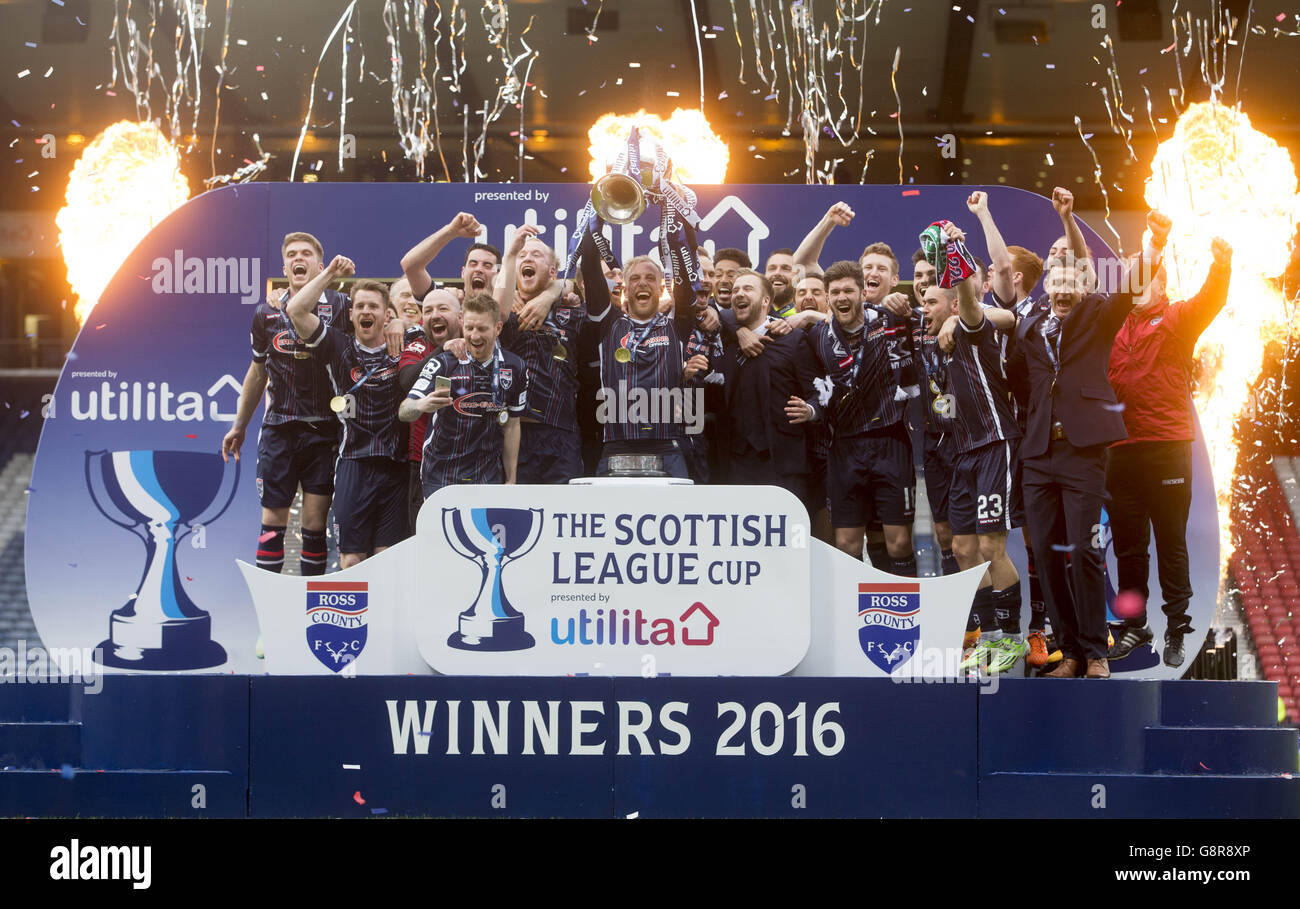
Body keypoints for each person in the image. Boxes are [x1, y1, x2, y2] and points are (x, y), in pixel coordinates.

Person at [1007, 192, 1171, 680]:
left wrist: (1154, 243)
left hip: (1082, 452)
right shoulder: (1030, 327)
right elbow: (1007, 350)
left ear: (1082, 284)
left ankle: (1097, 653)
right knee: (1046, 557)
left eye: (1069, 281)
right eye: (1054, 282)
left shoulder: (1098, 317)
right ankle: (1072, 652)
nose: (1060, 289)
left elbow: (1129, 281)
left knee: (1082, 550)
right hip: (1037, 453)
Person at [1106, 235, 1233, 667]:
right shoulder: (1112, 326)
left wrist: (1222, 262)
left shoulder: (1177, 318)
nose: (1139, 285)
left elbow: (1211, 300)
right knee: (1127, 547)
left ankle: (1177, 628)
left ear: (1162, 286)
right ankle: (1134, 625)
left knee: (1171, 542)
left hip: (1166, 449)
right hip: (1120, 451)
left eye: (1148, 278)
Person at [922, 225, 1025, 673]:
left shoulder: (972, 327)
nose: (924, 306)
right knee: (963, 550)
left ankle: (1013, 639)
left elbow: (968, 296)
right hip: (960, 453)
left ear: (951, 305)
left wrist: (953, 250)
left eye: (931, 301)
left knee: (990, 545)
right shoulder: (934, 346)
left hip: (993, 443)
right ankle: (990, 638)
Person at [222, 231, 353, 577]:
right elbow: (256, 371)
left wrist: (398, 321)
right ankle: (272, 609)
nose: (299, 258)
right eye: (292, 254)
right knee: (271, 526)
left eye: (306, 253)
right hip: (279, 429)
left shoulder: (342, 307)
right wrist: (240, 424)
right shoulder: (265, 312)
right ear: (284, 266)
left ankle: (307, 609)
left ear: (319, 264)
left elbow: (378, 324)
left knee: (314, 527)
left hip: (324, 431)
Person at [968, 190, 1052, 666]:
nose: (988, 277)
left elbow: (998, 269)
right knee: (984, 541)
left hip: (1023, 440)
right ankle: (995, 633)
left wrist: (983, 214)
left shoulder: (1026, 313)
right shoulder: (988, 314)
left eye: (998, 273)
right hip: (996, 441)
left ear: (1013, 279)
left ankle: (1035, 631)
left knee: (1035, 539)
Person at [285, 262, 405, 568]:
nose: (366, 311)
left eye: (374, 307)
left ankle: (385, 618)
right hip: (353, 462)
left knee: (387, 561)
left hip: (396, 467)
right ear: (350, 314)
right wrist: (329, 275)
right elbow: (296, 310)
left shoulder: (404, 346)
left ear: (385, 314)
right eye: (360, 306)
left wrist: (403, 323)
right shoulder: (337, 345)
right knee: (352, 559)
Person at [802, 260, 917, 572]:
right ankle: (851, 618)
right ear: (827, 297)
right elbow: (814, 386)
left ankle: (906, 615)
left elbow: (929, 317)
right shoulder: (818, 337)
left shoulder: (889, 319)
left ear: (862, 293)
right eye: (835, 292)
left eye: (848, 290)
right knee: (846, 544)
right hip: (845, 447)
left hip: (890, 440)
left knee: (899, 542)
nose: (842, 297)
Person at [589, 228, 711, 478]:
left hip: (667, 443)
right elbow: (591, 271)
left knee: (676, 515)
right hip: (617, 443)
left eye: (650, 278)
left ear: (660, 288)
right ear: (625, 288)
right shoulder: (608, 324)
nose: (642, 283)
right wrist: (597, 219)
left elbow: (685, 280)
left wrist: (675, 226)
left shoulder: (677, 325)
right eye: (634, 278)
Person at [400, 294, 527, 496]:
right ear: (462, 323)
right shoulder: (443, 363)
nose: (475, 336)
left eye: (482, 329)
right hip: (440, 476)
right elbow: (404, 410)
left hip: (487, 477)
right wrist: (420, 405)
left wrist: (511, 479)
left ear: (498, 328)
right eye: (469, 328)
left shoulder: (515, 366)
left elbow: (512, 424)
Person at [717, 270, 820, 506]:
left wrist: (810, 410)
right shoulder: (724, 341)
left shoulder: (794, 341)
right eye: (735, 291)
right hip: (735, 465)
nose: (739, 294)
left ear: (766, 301)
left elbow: (817, 392)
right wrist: (738, 331)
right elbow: (713, 311)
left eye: (747, 289)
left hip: (783, 465)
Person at [397, 288, 463, 529]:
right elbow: (406, 381)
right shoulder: (417, 346)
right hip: (424, 463)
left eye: (443, 309)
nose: (435, 314)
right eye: (427, 311)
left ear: (461, 316)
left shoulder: (477, 341)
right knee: (424, 543)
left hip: (470, 464)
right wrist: (442, 350)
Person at [400, 212, 501, 301]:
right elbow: (410, 266)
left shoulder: (510, 313)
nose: (479, 269)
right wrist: (451, 231)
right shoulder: (444, 304)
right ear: (463, 272)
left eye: (487, 265)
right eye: (473, 264)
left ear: (499, 277)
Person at [764, 248, 799, 318]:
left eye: (786, 269)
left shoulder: (807, 317)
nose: (777, 273)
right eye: (772, 268)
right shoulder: (752, 314)